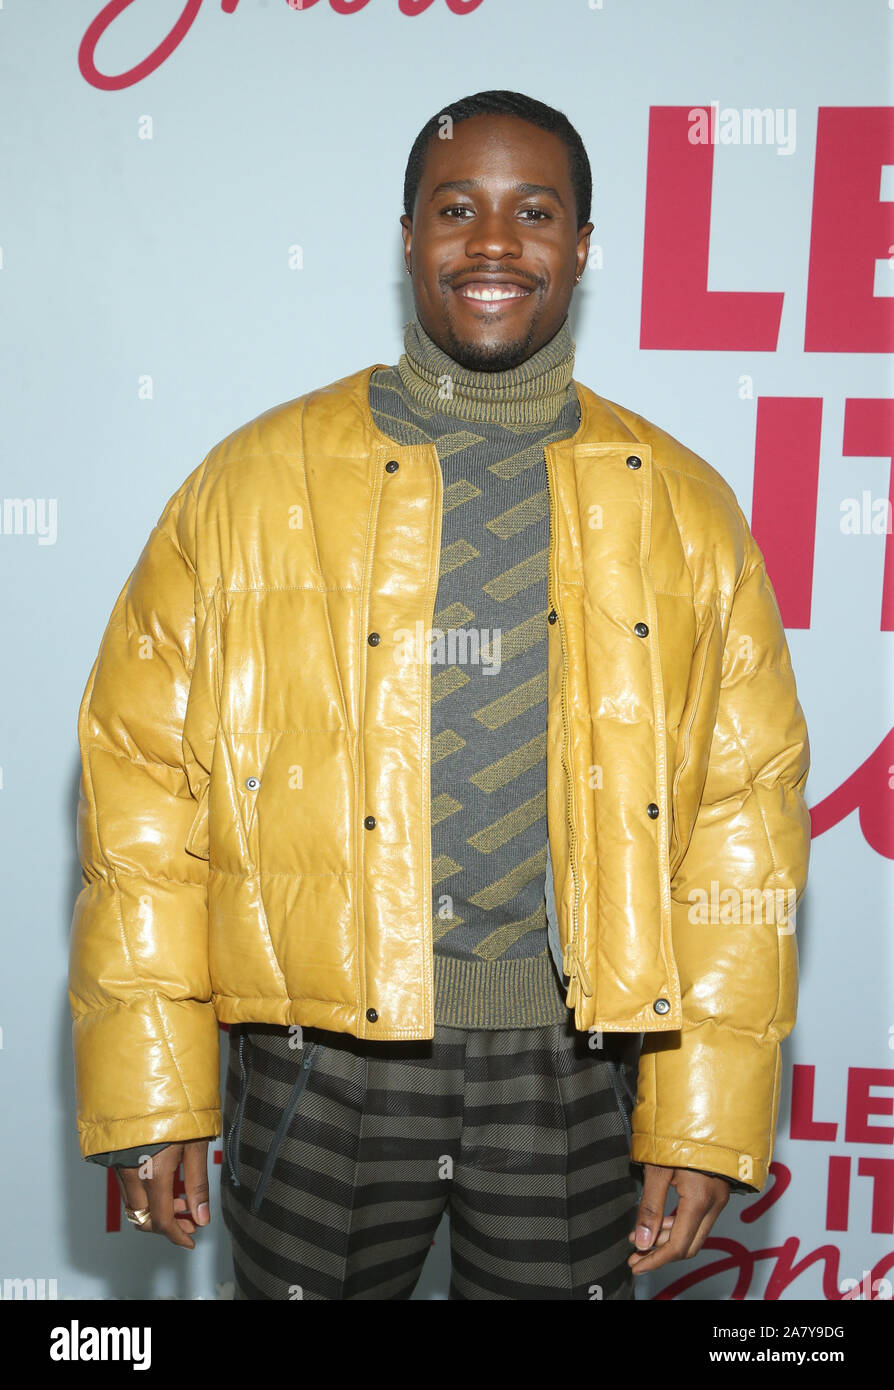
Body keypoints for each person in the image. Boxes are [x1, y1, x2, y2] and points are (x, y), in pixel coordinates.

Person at [69, 89, 811, 1300]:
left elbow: (743, 820)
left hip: (572, 1061)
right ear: (407, 235)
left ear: (584, 246)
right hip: (315, 1056)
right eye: (456, 208)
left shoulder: (681, 509)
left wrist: (701, 1112)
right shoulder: (253, 484)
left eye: (536, 212)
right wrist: (157, 1083)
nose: (494, 244)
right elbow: (143, 802)